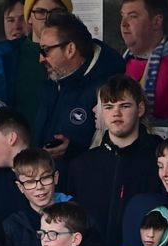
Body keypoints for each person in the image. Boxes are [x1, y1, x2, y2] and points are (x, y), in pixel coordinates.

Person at [66, 75, 162, 246]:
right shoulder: (81, 165)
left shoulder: (160, 160)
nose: (116, 113)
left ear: (140, 108)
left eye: (124, 106)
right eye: (109, 107)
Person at [0, 0, 72, 143]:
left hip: (58, 150)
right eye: (40, 12)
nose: (48, 18)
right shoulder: (3, 58)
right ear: (29, 17)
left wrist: (73, 144)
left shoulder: (77, 55)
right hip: (12, 151)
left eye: (57, 12)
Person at [35, 12, 124, 160]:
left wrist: (74, 150)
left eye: (46, 50)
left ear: (70, 49)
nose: (41, 58)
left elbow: (120, 147)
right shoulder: (51, 83)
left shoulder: (109, 87)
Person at [119, 0, 168, 131]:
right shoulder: (120, 62)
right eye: (122, 16)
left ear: (156, 22)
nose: (123, 24)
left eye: (133, 16)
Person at [2, 148, 72, 246]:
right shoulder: (13, 226)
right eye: (30, 182)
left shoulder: (75, 215)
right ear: (20, 187)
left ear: (55, 178)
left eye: (45, 178)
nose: (39, 187)